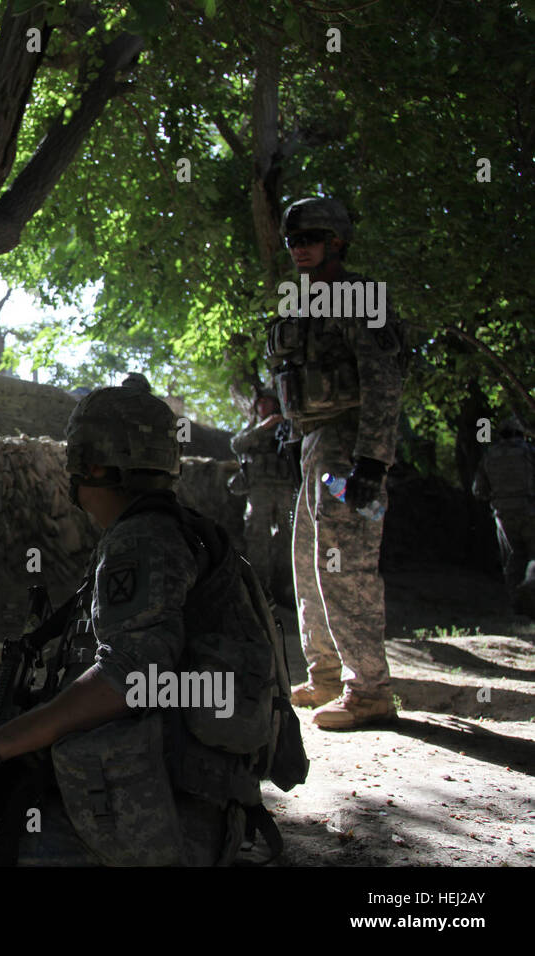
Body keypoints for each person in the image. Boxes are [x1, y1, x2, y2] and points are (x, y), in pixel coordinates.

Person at [0, 385, 303, 866]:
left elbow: (129, 675)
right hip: (187, 802)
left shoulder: (142, 539)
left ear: (94, 466)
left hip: (168, 822)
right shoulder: (182, 529)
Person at [265, 196, 404, 729]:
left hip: (349, 446)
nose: (300, 249)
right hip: (314, 445)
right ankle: (325, 672)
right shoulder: (299, 303)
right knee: (307, 561)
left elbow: (383, 382)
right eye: (293, 241)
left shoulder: (360, 298)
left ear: (337, 243)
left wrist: (373, 460)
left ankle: (368, 690)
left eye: (310, 239)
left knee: (344, 561)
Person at [229, 390, 296, 605]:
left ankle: (286, 587)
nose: (263, 406)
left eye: (268, 402)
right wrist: (262, 428)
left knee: (288, 536)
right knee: (258, 537)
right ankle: (259, 590)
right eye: (260, 403)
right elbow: (236, 445)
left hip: (285, 489)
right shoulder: (253, 429)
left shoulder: (287, 426)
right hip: (259, 490)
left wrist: (282, 423)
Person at [472, 416, 535, 609]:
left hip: (503, 515)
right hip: (530, 509)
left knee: (513, 559)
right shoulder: (530, 452)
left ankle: (517, 604)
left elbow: (478, 490)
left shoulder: (489, 455)